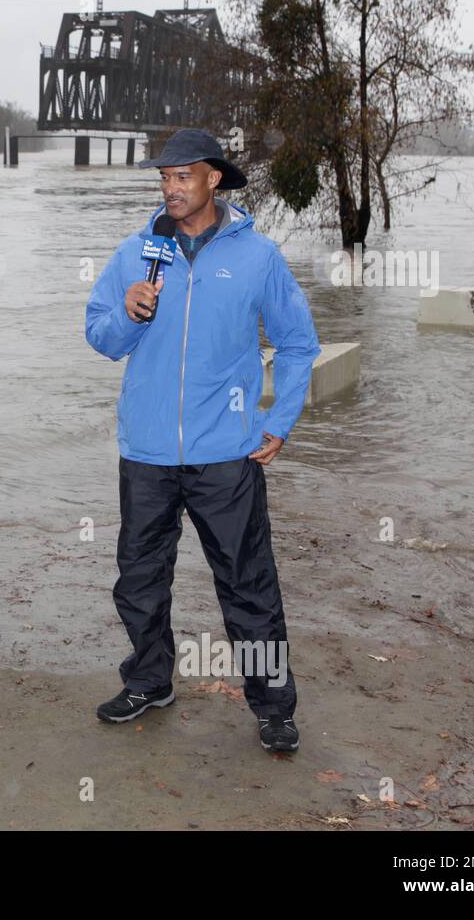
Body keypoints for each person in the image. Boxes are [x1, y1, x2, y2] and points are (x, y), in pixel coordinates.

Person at [83, 128, 322, 753]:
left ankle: (273, 708)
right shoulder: (136, 253)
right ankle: (149, 681)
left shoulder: (258, 257)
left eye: (182, 176)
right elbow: (100, 337)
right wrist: (126, 313)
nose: (171, 188)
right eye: (163, 178)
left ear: (213, 178)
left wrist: (279, 420)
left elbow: (298, 342)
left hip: (226, 455)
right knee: (138, 580)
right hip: (147, 452)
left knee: (249, 587)